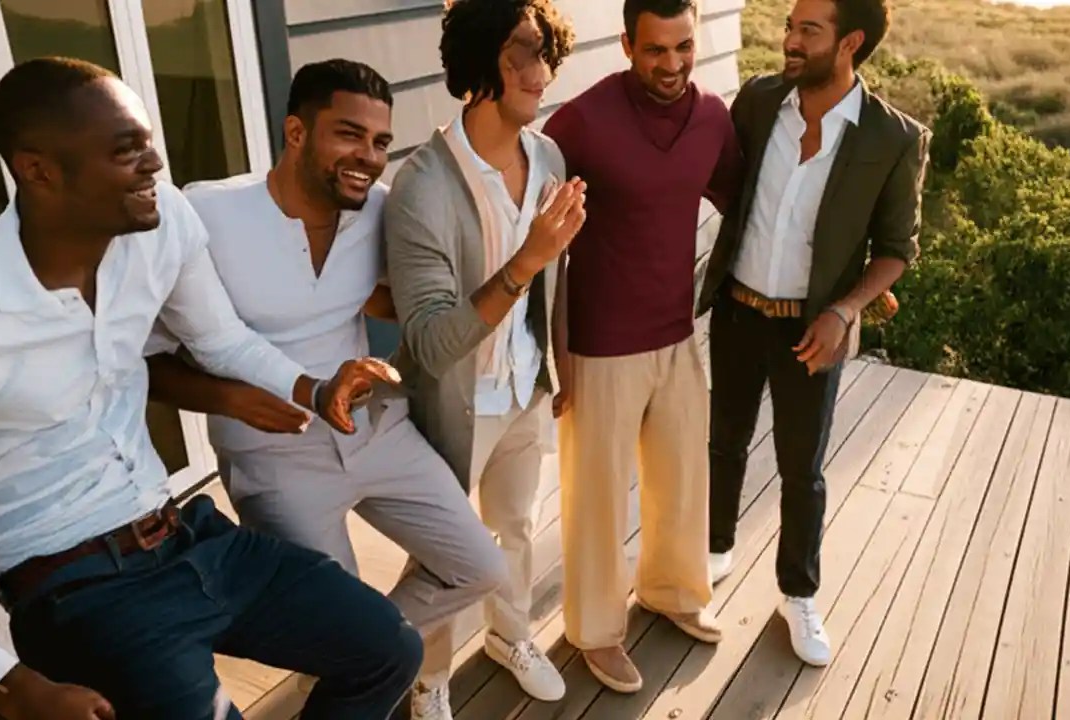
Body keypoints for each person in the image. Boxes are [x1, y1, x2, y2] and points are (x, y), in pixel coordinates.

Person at [0, 57, 423, 720]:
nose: (155, 165)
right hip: (75, 588)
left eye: (149, 144)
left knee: (389, 646)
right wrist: (10, 687)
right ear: (37, 169)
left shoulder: (160, 227)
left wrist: (312, 389)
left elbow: (220, 341)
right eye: (127, 151)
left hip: (189, 537)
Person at [144, 58, 510, 716]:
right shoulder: (208, 213)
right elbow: (150, 362)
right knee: (341, 622)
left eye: (379, 143)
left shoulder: (378, 210)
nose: (367, 158)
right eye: (348, 134)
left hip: (377, 430)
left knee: (481, 567)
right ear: (295, 131)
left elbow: (383, 297)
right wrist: (232, 400)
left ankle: (370, 654)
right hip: (275, 454)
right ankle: (365, 662)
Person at [698, 0, 930, 667]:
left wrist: (847, 308)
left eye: (808, 31)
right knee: (724, 442)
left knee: (804, 470)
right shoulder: (759, 99)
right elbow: (728, 184)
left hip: (813, 332)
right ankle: (715, 552)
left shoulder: (893, 139)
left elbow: (896, 250)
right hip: (738, 312)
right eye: (791, 26)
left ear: (850, 42)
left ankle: (798, 593)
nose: (789, 39)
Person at [384, 0, 585, 714]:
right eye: (522, 54)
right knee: (443, 550)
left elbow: (556, 284)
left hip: (525, 388)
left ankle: (510, 636)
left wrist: (555, 371)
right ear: (479, 62)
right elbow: (433, 344)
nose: (542, 72)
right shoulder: (422, 188)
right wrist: (526, 260)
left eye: (545, 53)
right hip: (454, 401)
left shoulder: (549, 157)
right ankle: (429, 675)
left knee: (519, 527)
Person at [539, 0, 744, 694]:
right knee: (595, 497)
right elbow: (538, 239)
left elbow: (741, 198)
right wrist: (553, 350)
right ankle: (595, 631)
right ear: (627, 43)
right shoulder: (581, 123)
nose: (673, 65)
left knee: (684, 480)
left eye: (684, 47)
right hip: (599, 346)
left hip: (679, 333)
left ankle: (673, 592)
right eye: (656, 50)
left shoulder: (714, 117)